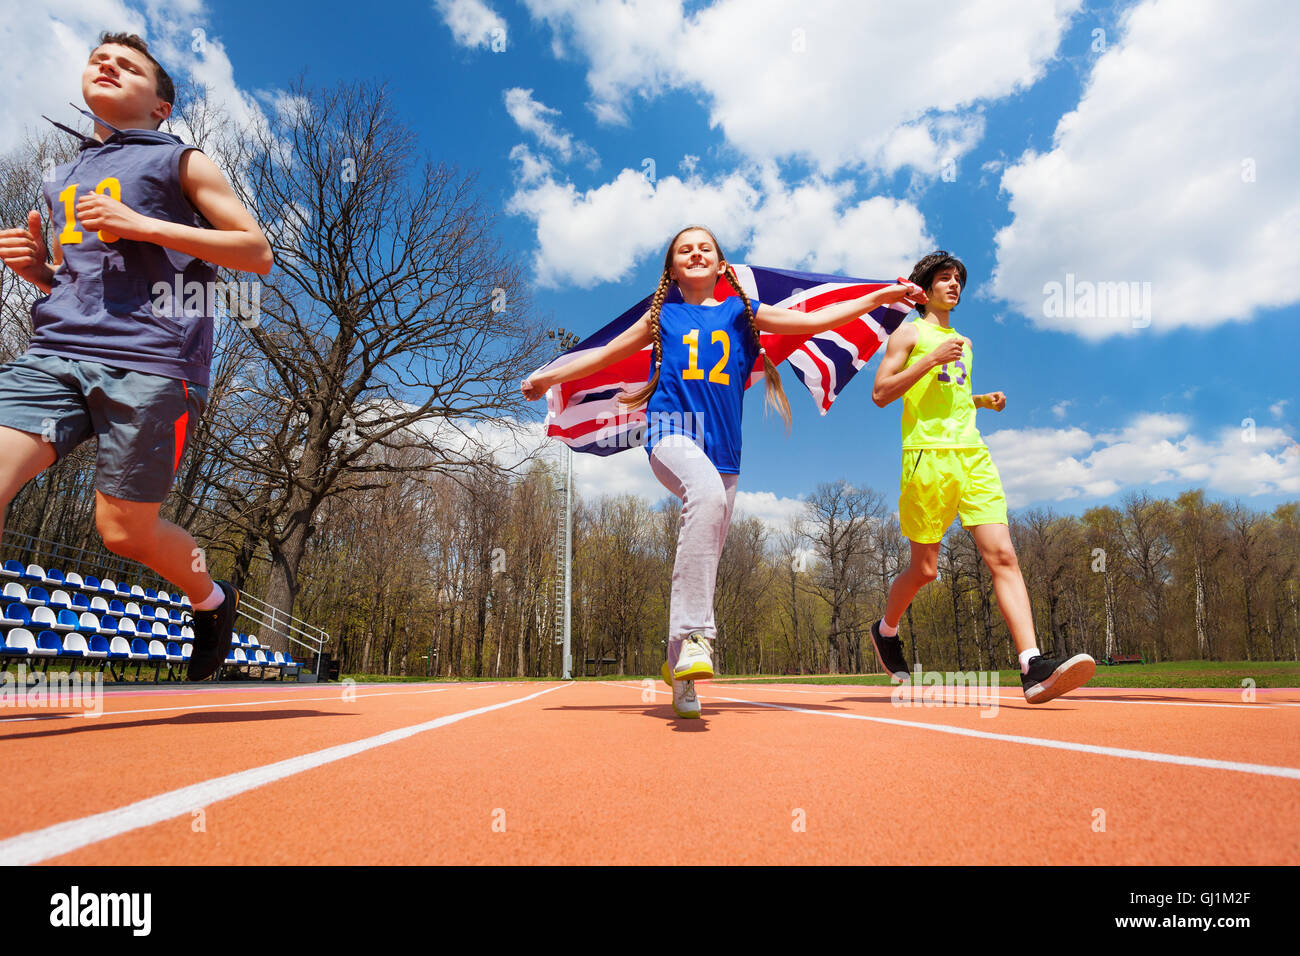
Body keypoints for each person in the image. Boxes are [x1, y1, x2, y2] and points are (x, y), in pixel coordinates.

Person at [523, 225, 919, 717]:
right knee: (705, 497)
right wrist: (547, 375)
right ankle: (695, 637)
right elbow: (605, 354)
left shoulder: (743, 314)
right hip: (670, 432)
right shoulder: (661, 316)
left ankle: (679, 671)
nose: (694, 253)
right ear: (672, 268)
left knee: (705, 552)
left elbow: (813, 319)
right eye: (683, 249)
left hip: (724, 450)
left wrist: (882, 294)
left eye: (703, 247)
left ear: (720, 264)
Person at [0, 32, 273, 681]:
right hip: (56, 352)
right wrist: (42, 273)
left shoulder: (181, 162)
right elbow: (87, 280)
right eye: (100, 59)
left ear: (159, 107)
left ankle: (211, 599)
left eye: (129, 65)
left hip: (155, 363)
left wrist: (144, 224)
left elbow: (255, 252)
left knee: (123, 532)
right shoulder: (59, 178)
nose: (108, 65)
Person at [869, 251, 1095, 703]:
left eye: (958, 280)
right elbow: (882, 393)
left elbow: (945, 400)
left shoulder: (965, 343)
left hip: (974, 456)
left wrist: (978, 400)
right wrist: (930, 359)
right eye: (945, 278)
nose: (954, 285)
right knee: (926, 569)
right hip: (927, 459)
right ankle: (886, 629)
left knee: (1003, 557)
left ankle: (1031, 666)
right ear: (924, 287)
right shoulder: (910, 333)